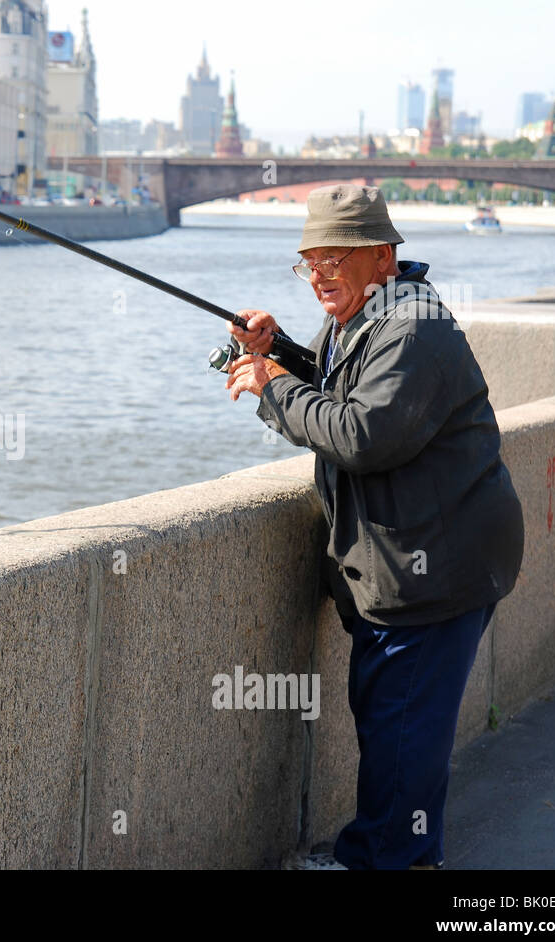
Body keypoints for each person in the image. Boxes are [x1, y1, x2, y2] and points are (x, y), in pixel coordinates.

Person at [224, 184, 524, 869]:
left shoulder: (415, 326)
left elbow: (362, 434)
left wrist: (271, 385)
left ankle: (383, 859)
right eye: (310, 262)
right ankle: (408, 854)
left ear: (383, 256)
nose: (321, 273)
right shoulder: (373, 313)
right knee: (396, 721)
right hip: (410, 560)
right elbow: (343, 386)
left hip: (435, 566)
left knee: (401, 729)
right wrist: (284, 352)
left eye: (337, 257)